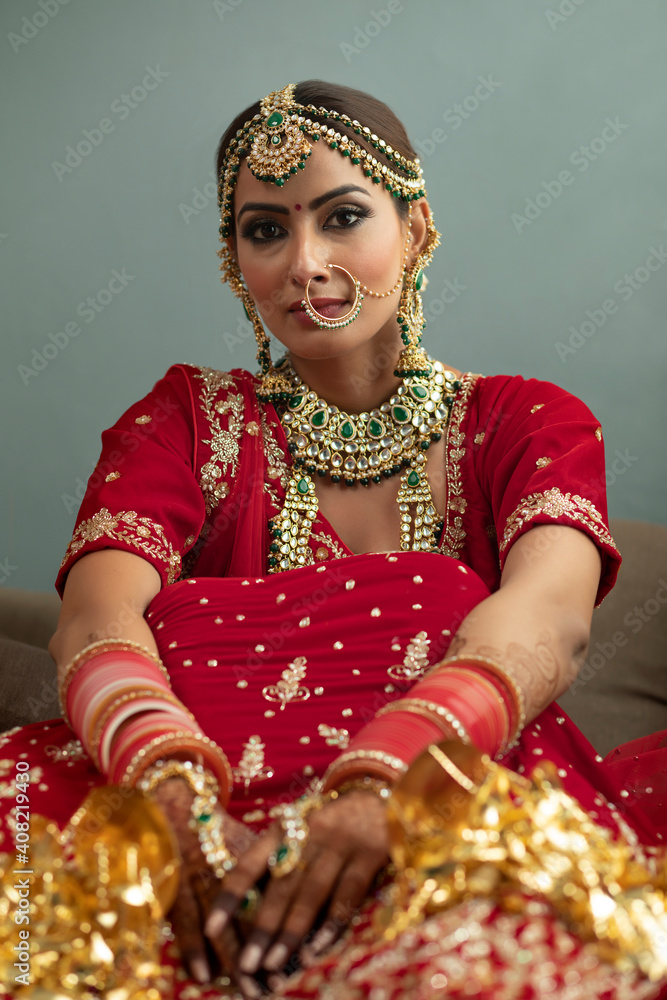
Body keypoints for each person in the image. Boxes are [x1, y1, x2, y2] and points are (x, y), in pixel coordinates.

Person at [0, 80, 665, 1000]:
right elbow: (95, 618)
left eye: (343, 216)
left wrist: (389, 781)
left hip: (441, 789)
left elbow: (547, 622)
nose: (303, 262)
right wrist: (165, 788)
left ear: (418, 229)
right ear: (236, 262)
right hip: (179, 789)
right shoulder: (184, 422)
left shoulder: (525, 423)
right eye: (265, 229)